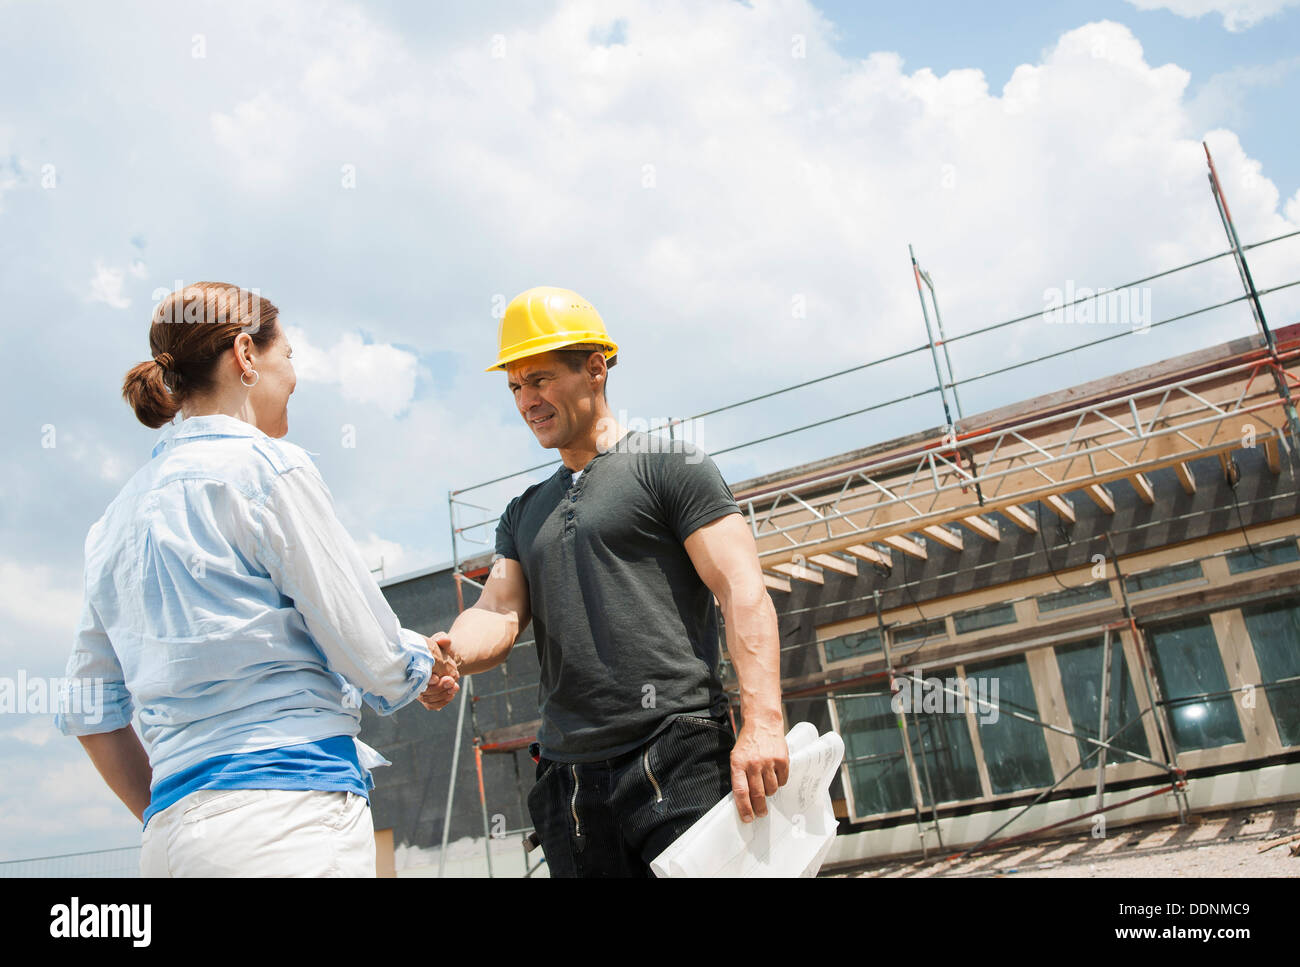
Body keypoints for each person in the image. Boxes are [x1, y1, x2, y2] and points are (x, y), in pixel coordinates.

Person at [55, 282, 459, 877]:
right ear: (246, 355)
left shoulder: (112, 523)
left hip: (169, 841)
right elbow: (367, 649)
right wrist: (424, 666)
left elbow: (92, 712)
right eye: (288, 355)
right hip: (286, 820)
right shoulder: (267, 469)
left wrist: (173, 810)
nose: (294, 374)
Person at [422, 286, 789, 877]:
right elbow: (497, 611)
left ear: (595, 369)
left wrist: (763, 722)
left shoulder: (670, 466)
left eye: (538, 380)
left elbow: (741, 589)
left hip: (678, 752)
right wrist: (451, 655)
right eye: (515, 386)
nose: (526, 400)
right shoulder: (523, 512)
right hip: (571, 781)